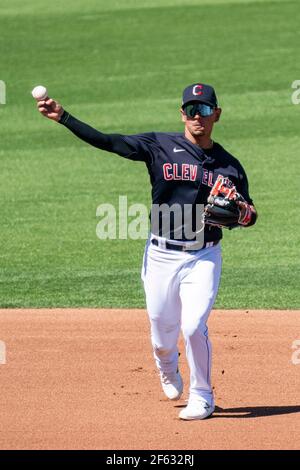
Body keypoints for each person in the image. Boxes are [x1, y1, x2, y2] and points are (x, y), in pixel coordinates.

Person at [36, 83, 257, 420]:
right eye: (192, 109)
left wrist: (242, 213)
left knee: (194, 326)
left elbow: (249, 214)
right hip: (161, 256)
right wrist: (64, 117)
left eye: (206, 110)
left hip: (203, 256)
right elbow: (109, 142)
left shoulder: (230, 166)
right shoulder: (159, 145)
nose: (199, 116)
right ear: (183, 114)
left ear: (217, 114)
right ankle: (166, 361)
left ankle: (202, 395)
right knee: (162, 330)